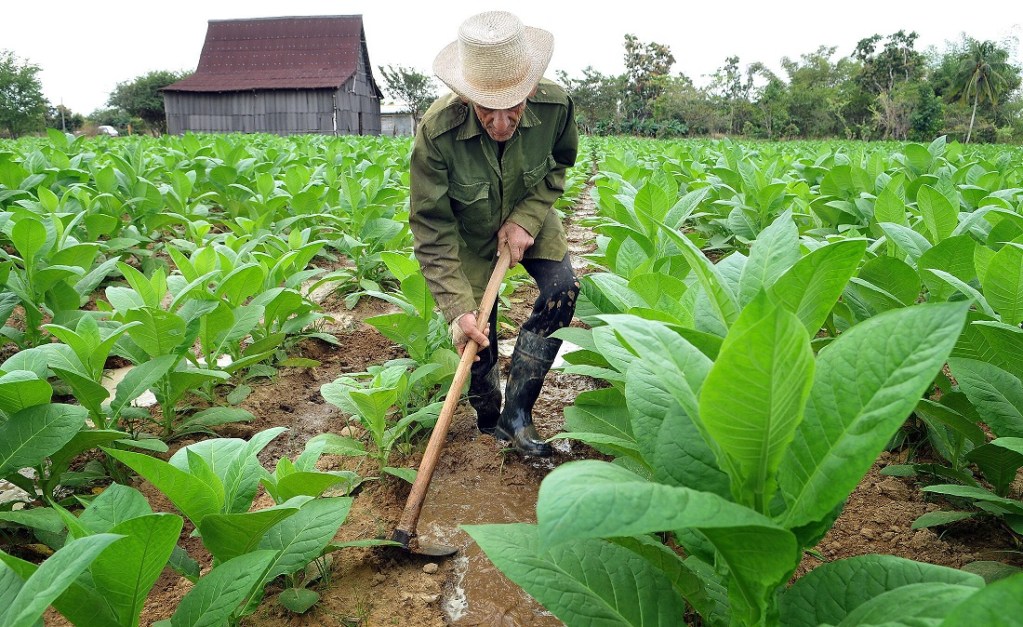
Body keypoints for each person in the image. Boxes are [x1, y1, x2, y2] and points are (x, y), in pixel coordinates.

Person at [409, 10, 579, 457]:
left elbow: (559, 166)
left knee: (563, 289)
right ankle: (489, 419)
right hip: (468, 230)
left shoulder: (556, 106)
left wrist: (525, 218)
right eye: (488, 108)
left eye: (514, 108)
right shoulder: (437, 132)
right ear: (466, 97)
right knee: (476, 331)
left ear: (529, 89)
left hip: (530, 211)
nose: (502, 124)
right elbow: (431, 226)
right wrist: (456, 308)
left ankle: (518, 416)